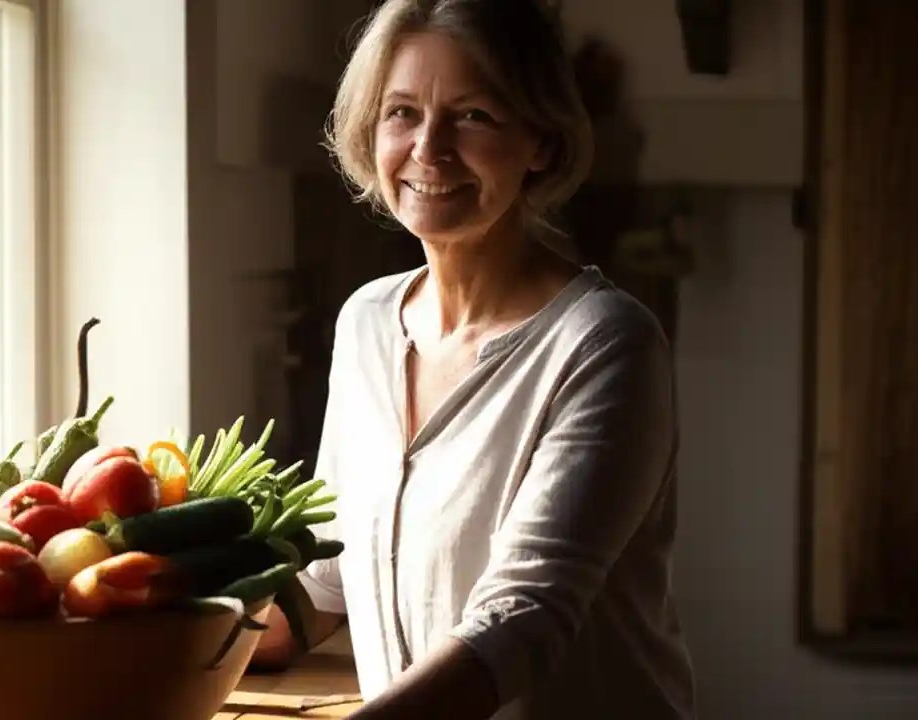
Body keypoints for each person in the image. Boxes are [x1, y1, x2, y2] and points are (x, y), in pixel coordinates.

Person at [251, 0, 696, 718]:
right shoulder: (367, 321)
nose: (429, 149)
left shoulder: (605, 344)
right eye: (401, 112)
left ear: (542, 143)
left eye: (474, 116)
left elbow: (518, 622)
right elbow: (330, 580)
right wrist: (153, 637)